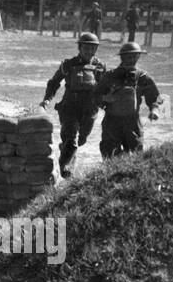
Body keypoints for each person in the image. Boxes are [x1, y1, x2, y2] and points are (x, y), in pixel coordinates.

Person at [40, 32, 107, 177]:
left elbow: (104, 87)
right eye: (86, 48)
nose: (89, 51)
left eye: (93, 48)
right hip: (70, 107)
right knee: (71, 138)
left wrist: (108, 104)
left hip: (90, 109)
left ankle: (65, 149)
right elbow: (54, 82)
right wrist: (47, 99)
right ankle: (66, 170)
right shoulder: (68, 64)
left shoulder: (100, 66)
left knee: (81, 140)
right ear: (80, 47)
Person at [94, 41, 161, 159]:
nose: (132, 59)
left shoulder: (142, 77)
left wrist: (154, 109)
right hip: (111, 121)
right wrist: (105, 98)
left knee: (136, 155)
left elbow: (155, 97)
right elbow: (94, 97)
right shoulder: (110, 76)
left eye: (135, 56)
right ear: (122, 57)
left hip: (133, 121)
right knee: (110, 155)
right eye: (129, 56)